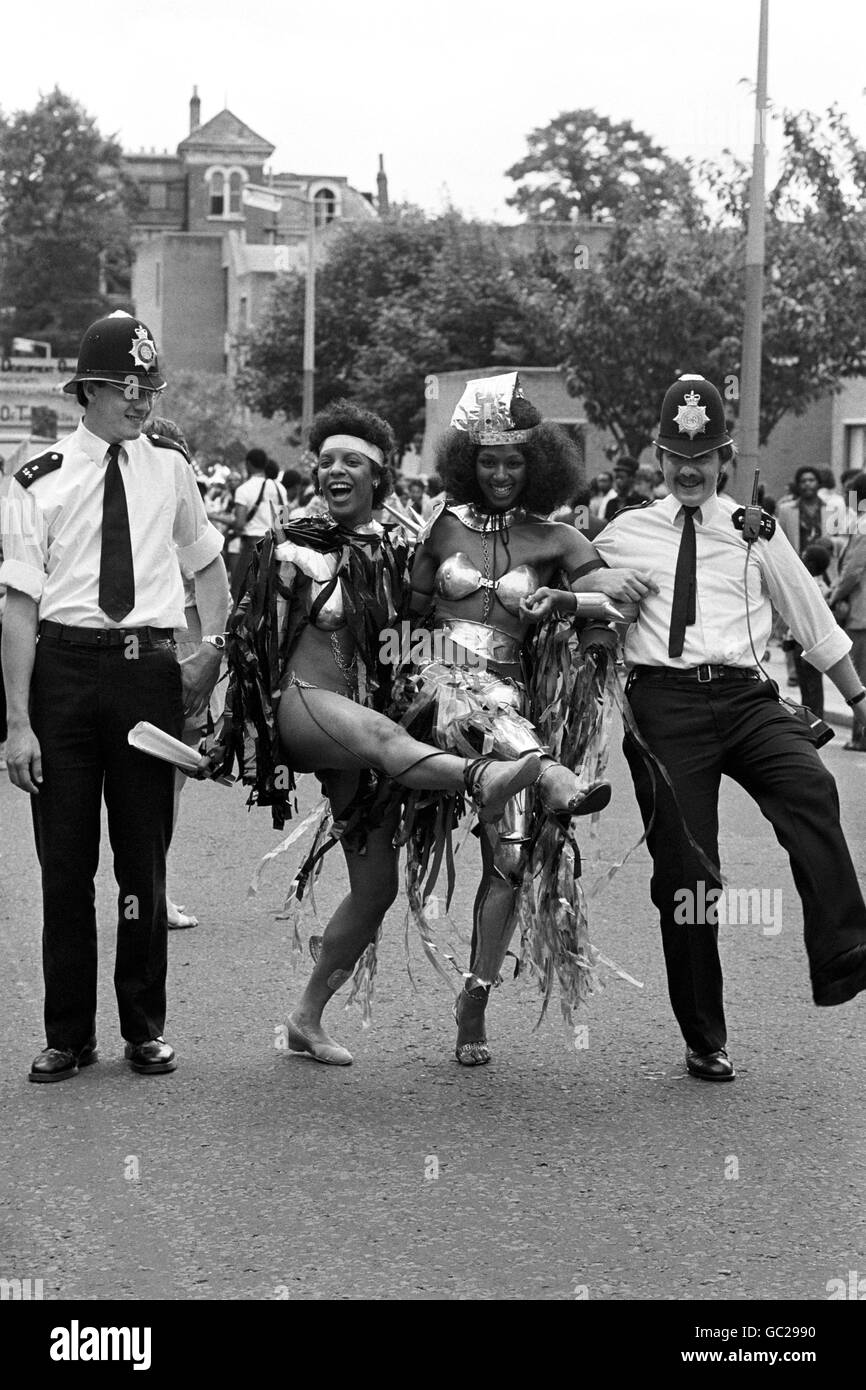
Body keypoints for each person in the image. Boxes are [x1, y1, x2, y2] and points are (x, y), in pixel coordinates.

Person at [218, 400, 548, 1066]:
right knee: (384, 744)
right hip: (307, 707)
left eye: (353, 462)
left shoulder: (398, 545)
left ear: (377, 477)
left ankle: (305, 1018)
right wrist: (229, 733)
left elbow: (418, 631)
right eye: (328, 459)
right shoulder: (289, 544)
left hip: (368, 724)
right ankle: (486, 778)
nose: (336, 470)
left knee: (376, 888)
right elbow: (245, 640)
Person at [561, 373, 866, 1082]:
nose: (689, 469)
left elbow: (810, 620)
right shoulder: (624, 532)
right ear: (659, 459)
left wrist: (859, 695)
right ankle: (703, 1035)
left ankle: (844, 952)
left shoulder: (754, 531)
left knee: (812, 788)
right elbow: (570, 605)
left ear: (724, 457)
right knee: (688, 873)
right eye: (676, 455)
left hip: (748, 700)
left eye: (703, 456)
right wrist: (599, 590)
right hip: (664, 708)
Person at [0, 311, 227, 1083]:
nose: (142, 402)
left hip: (145, 676)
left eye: (150, 388)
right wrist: (18, 724)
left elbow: (209, 570)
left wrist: (212, 652)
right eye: (128, 388)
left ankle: (143, 1026)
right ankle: (68, 1034)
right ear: (89, 391)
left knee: (143, 864)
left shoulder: (170, 466)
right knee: (65, 866)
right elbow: (20, 608)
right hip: (63, 676)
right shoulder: (38, 479)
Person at [403, 374, 646, 1065]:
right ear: (466, 462)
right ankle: (548, 772)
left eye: (514, 461)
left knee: (509, 860)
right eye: (488, 460)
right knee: (370, 842)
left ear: (538, 464)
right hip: (430, 692)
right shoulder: (442, 526)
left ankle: (475, 996)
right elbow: (404, 610)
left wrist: (564, 609)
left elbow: (613, 612)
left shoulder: (560, 540)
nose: (502, 473)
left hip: (506, 704)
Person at [829, 471, 866, 751]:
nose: (846, 499)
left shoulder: (861, 525)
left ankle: (861, 736)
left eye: (850, 493)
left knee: (859, 678)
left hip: (861, 613)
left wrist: (834, 596)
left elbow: (853, 571)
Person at [229, 449, 288, 604]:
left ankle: (236, 627)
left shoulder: (243, 490)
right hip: (276, 547)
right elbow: (283, 521)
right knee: (270, 595)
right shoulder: (279, 488)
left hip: (252, 547)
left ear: (248, 464)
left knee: (240, 592)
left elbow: (240, 524)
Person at [603, 456, 643, 522]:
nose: (618, 481)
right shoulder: (611, 503)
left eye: (621, 477)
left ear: (632, 478)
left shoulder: (641, 502)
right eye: (616, 477)